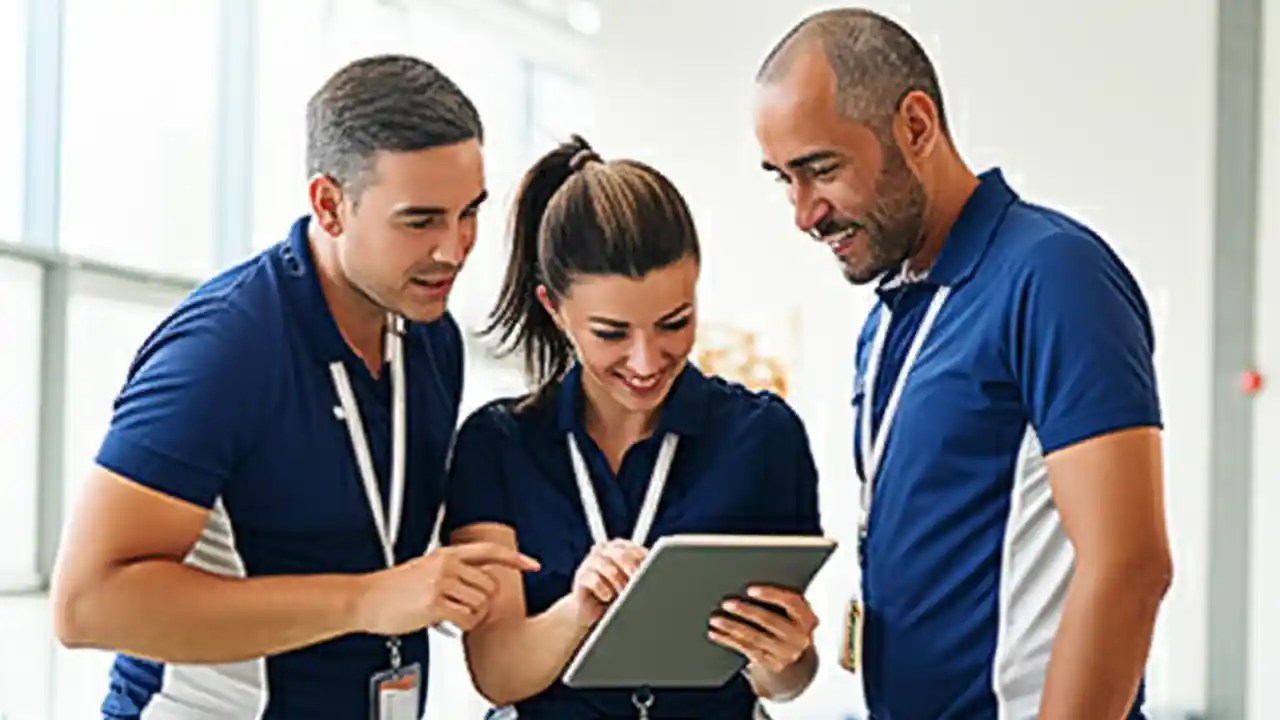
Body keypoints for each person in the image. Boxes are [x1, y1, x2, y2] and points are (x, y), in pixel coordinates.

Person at [49, 54, 538, 719]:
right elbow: (87, 604)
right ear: (330, 205)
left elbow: (359, 534)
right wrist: (366, 599)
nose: (455, 249)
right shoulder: (223, 351)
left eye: (469, 213)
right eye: (420, 221)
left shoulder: (431, 337)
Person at [752, 9, 1173, 720]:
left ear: (916, 127)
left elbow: (1129, 566)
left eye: (821, 169)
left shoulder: (1053, 274)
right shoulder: (890, 316)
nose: (803, 213)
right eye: (781, 179)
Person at [440, 135, 825, 719]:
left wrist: (784, 655)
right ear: (554, 308)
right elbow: (498, 674)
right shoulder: (497, 444)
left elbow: (786, 681)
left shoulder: (764, 437)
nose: (646, 362)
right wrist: (583, 607)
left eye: (674, 323)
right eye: (612, 333)